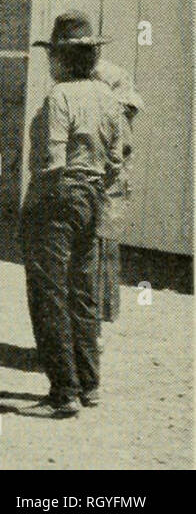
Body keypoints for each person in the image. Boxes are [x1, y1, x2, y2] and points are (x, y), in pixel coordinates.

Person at [19, 11, 126, 418]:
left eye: (53, 56)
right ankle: (90, 383)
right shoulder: (109, 99)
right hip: (94, 195)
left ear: (62, 59)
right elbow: (117, 160)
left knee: (49, 293)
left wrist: (39, 205)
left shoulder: (61, 96)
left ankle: (64, 391)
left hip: (58, 197)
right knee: (83, 291)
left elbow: (52, 157)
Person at [90, 59, 143, 323]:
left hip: (110, 186)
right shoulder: (115, 115)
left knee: (102, 243)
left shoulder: (117, 118)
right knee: (104, 242)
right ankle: (104, 306)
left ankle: (101, 307)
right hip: (112, 186)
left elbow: (119, 153)